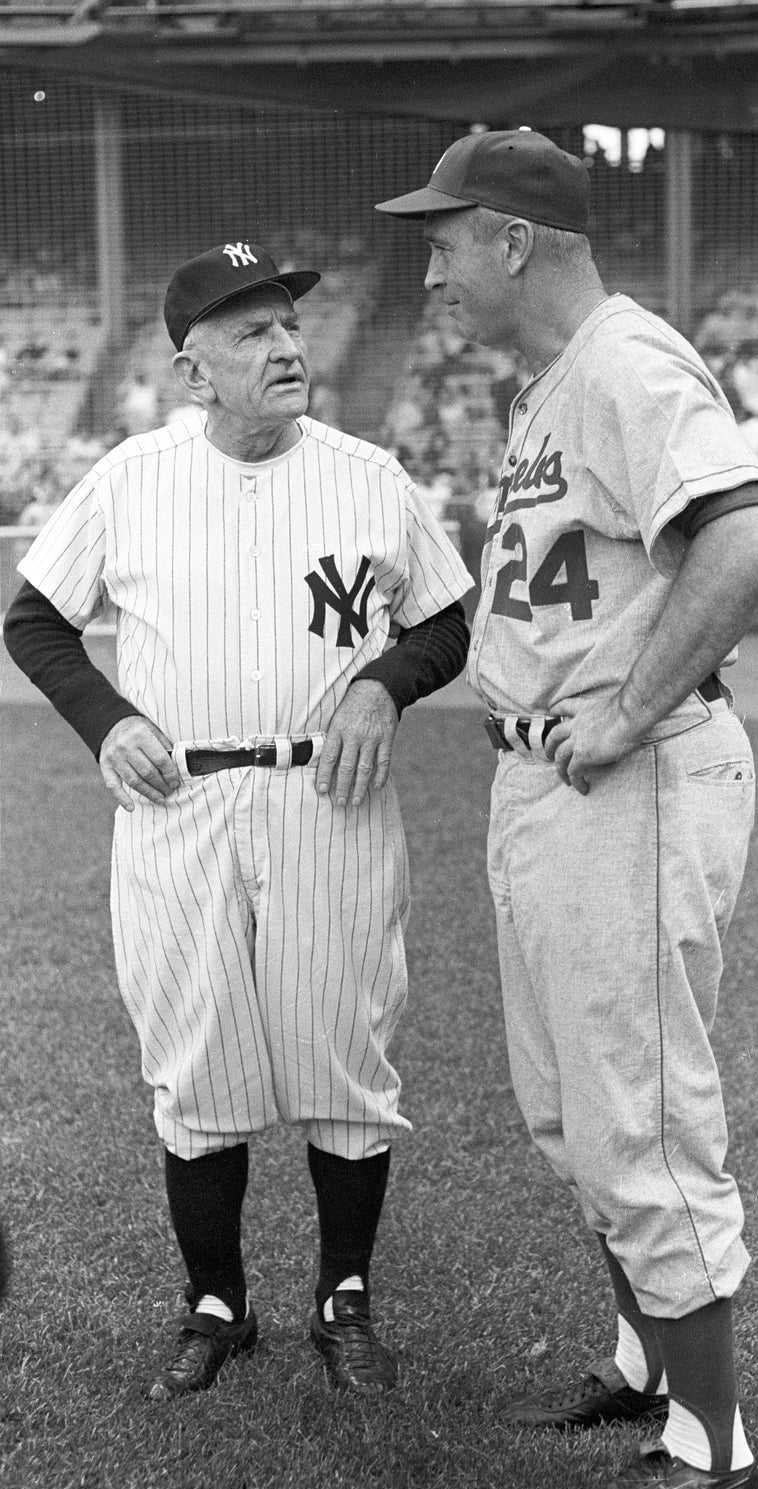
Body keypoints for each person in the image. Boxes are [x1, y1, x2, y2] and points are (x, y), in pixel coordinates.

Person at [376, 131, 758, 1489]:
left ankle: (715, 1448)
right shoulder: (555, 383)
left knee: (639, 1112)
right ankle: (653, 1364)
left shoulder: (622, 359)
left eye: (445, 241)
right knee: (570, 1114)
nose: (430, 269)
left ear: (513, 240)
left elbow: (749, 533)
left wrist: (623, 712)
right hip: (549, 778)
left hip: (632, 772)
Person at [3, 242, 473, 1403]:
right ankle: (218, 1300)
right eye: (252, 329)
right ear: (192, 368)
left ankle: (342, 1297)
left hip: (332, 797)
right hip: (182, 804)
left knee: (342, 1052)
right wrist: (107, 721)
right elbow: (36, 620)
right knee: (195, 1057)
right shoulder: (129, 478)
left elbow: (448, 621)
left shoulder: (367, 474)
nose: (285, 345)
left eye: (287, 324)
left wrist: (385, 681)